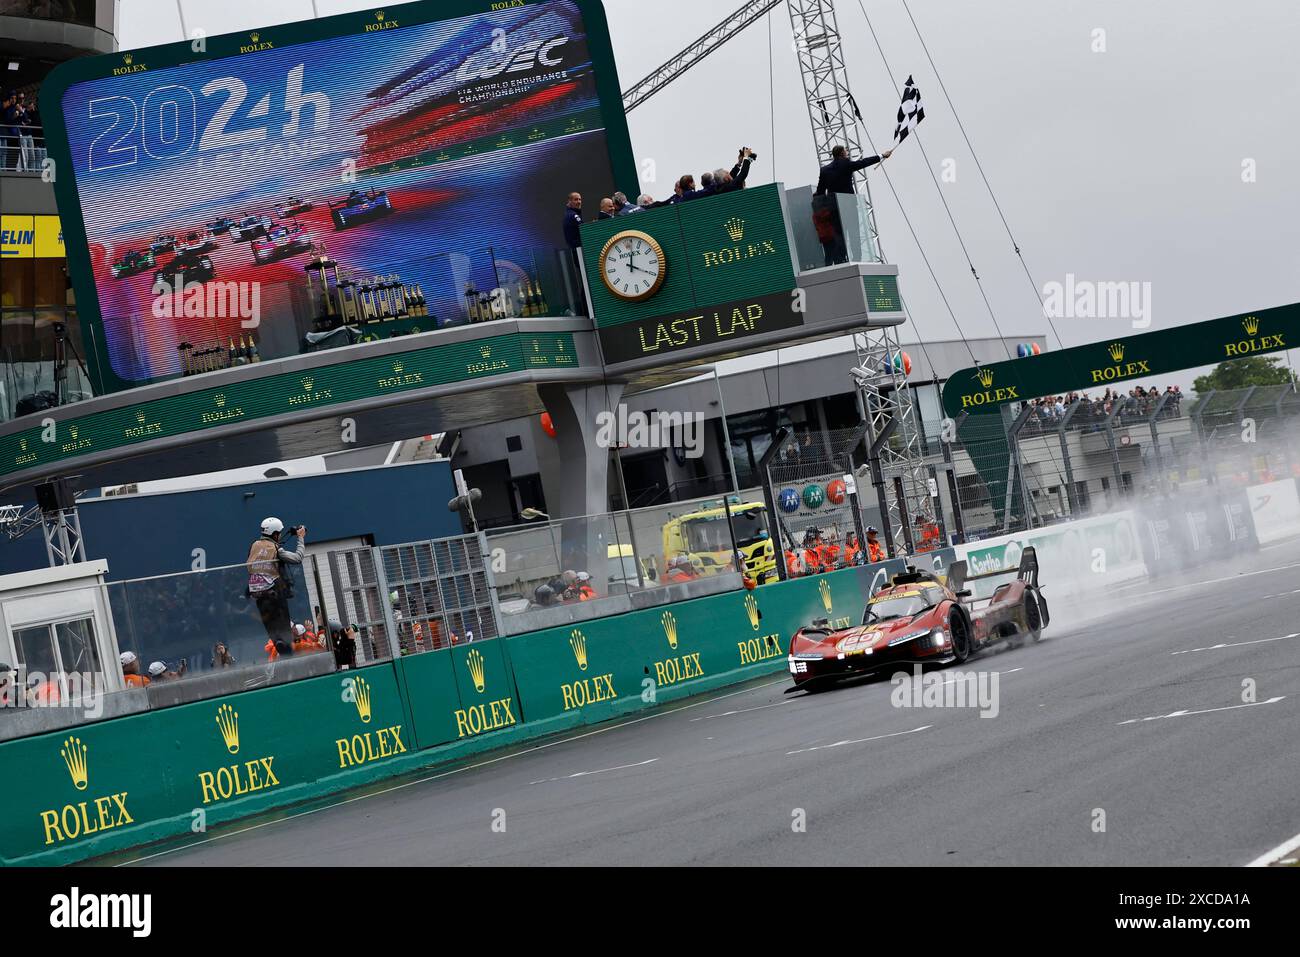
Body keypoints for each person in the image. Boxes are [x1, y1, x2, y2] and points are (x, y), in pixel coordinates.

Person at [247, 517, 305, 657]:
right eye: (279, 533)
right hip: (274, 593)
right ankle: (287, 650)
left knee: (271, 627)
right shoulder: (276, 549)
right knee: (284, 625)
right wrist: (300, 538)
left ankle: (278, 644)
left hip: (258, 595)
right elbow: (298, 558)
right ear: (275, 534)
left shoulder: (254, 545)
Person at [815, 144, 891, 196]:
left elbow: (820, 191)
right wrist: (882, 155)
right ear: (842, 153)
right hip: (848, 204)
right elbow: (864, 162)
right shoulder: (846, 164)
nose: (847, 153)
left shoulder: (824, 170)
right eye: (846, 151)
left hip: (833, 207)